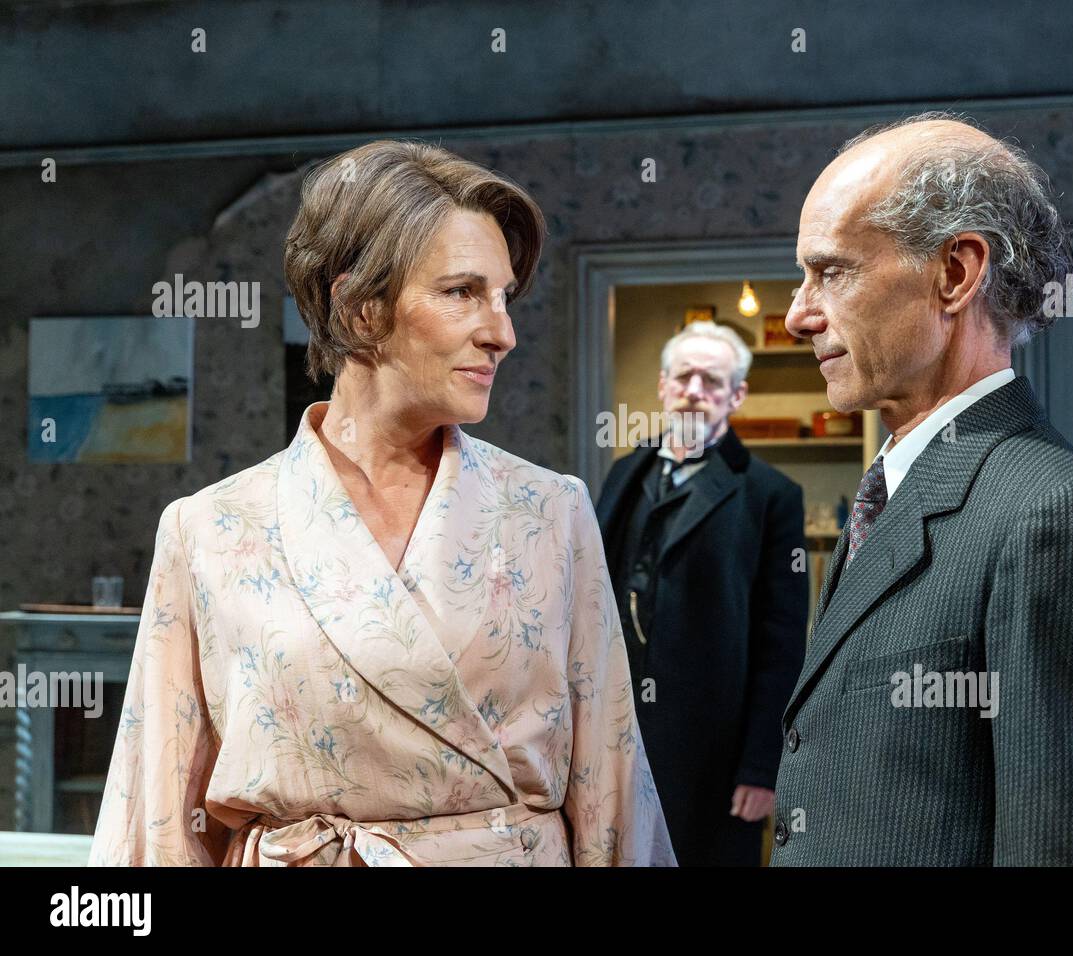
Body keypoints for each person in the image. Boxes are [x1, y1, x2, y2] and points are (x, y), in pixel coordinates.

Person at [89, 140, 675, 867]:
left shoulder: (551, 512)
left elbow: (611, 787)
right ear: (360, 308)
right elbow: (158, 814)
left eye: (504, 297)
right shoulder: (210, 529)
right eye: (462, 292)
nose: (502, 333)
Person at [771, 113, 1073, 865]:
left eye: (832, 272)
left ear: (956, 274)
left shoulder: (1060, 519)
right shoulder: (890, 495)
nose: (798, 314)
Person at [595, 321, 807, 865]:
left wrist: (761, 767)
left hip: (712, 750)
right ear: (663, 386)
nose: (694, 390)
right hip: (615, 737)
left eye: (711, 381)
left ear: (735, 396)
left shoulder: (771, 495)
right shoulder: (624, 473)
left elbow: (782, 643)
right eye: (684, 376)